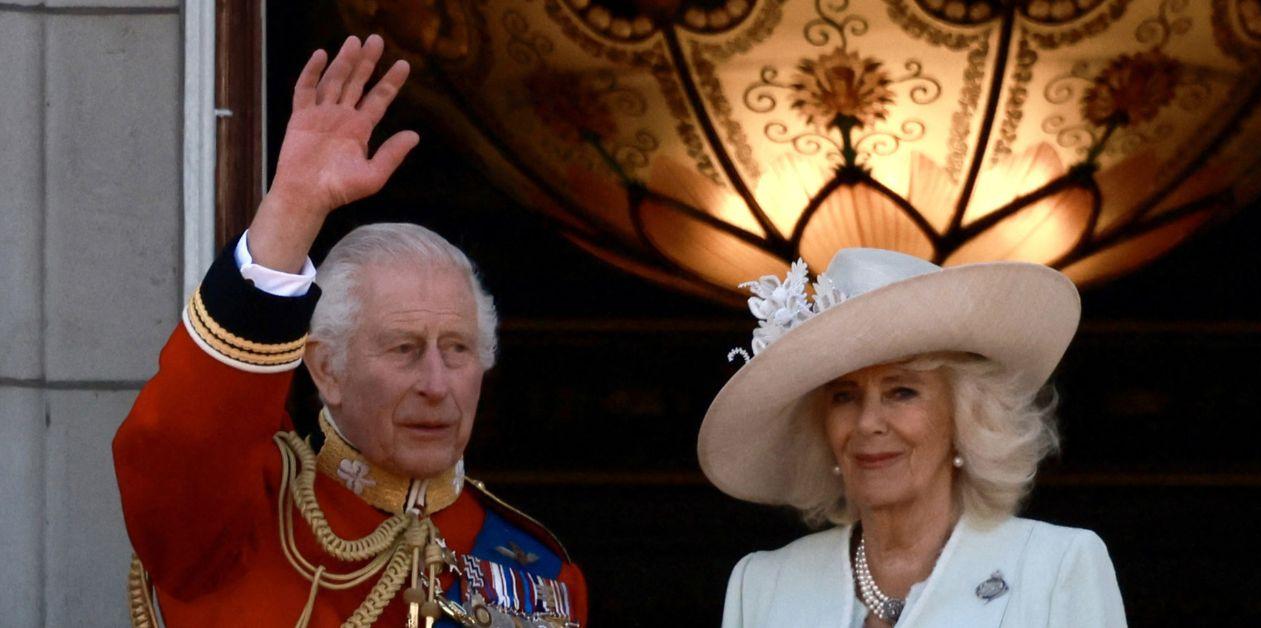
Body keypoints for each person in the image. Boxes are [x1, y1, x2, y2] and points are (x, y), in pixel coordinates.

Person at [114, 35, 586, 628]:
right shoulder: (239, 521)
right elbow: (180, 441)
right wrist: (294, 209)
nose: (436, 385)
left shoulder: (540, 576)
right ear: (326, 368)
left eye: (458, 350)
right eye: (404, 350)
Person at [699, 248, 1126, 627]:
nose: (868, 423)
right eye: (844, 396)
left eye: (901, 392)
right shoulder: (763, 584)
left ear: (965, 416)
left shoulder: (1056, 567)